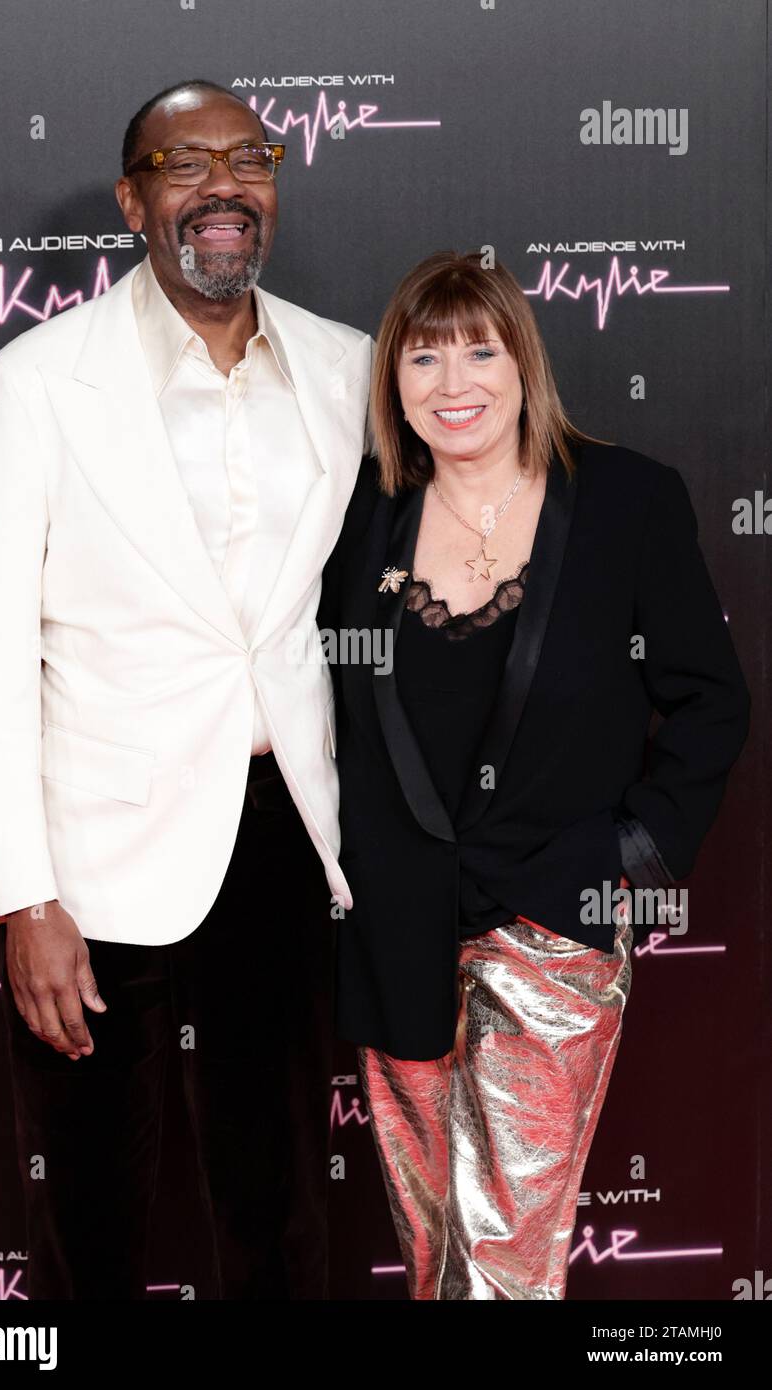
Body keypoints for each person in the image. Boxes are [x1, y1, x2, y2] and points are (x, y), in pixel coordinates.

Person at [0, 78, 372, 1300]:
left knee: (281, 1209)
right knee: (92, 1220)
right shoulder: (32, 385)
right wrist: (23, 895)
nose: (223, 185)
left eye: (250, 158)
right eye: (185, 163)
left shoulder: (345, 372)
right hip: (92, 860)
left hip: (284, 839)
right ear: (133, 199)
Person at [318, 250, 751, 1300]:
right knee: (432, 1250)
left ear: (523, 364)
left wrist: (625, 860)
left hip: (553, 917)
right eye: (422, 356)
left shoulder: (622, 500)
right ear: (392, 383)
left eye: (480, 349)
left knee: (508, 1252)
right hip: (395, 925)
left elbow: (708, 700)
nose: (452, 381)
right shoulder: (354, 514)